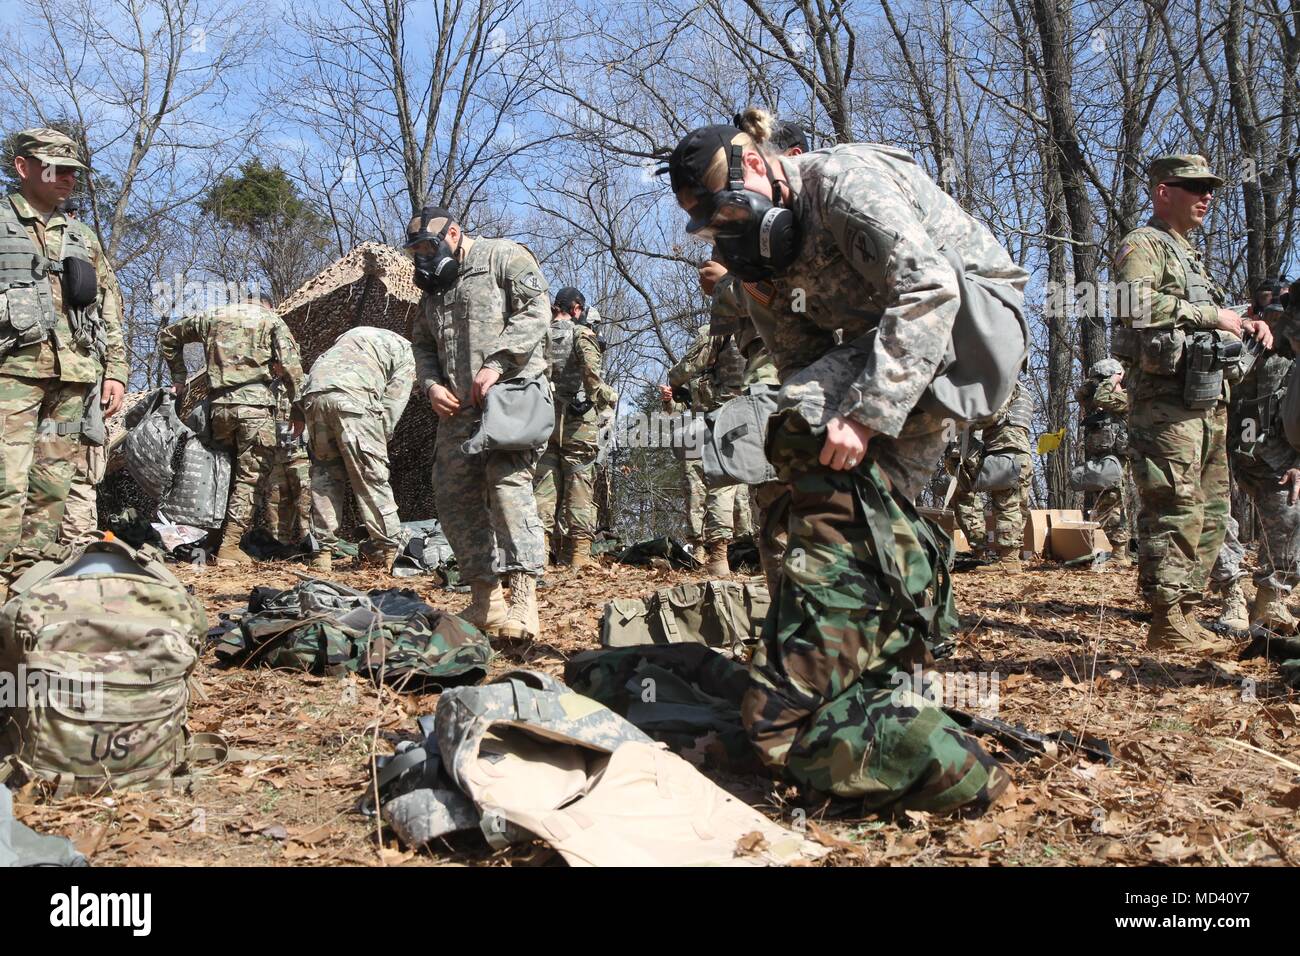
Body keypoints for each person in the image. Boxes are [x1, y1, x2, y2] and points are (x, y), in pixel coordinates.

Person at [665, 110, 1025, 813]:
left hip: (967, 322)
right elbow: (798, 362)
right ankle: (877, 672)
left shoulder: (841, 183)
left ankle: (851, 655)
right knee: (812, 448)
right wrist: (829, 436)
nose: (728, 231)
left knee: (862, 475)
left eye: (731, 209)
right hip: (880, 348)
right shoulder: (755, 259)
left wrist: (861, 416)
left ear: (762, 168)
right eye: (712, 224)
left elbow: (929, 291)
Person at [1115, 154, 1273, 654]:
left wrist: (1247, 324)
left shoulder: (1190, 257)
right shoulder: (1143, 244)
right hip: (1166, 406)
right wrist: (1212, 315)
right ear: (1163, 192)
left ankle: (1184, 611)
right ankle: (1165, 621)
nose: (1207, 197)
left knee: (1210, 510)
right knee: (1174, 504)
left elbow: (1209, 322)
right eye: (1194, 187)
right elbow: (1131, 305)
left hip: (1207, 404)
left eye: (1210, 188)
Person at [407, 206, 550, 640]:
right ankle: (487, 600)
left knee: (508, 489)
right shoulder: (431, 291)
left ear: (454, 232)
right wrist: (431, 386)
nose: (423, 257)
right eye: (416, 250)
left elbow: (536, 309)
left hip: (509, 397)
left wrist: (497, 362)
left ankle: (525, 600)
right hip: (458, 412)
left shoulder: (503, 256)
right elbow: (422, 346)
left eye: (430, 246)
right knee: (453, 497)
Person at [0, 128, 127, 562]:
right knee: (7, 485)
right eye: (57, 169)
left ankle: (25, 583)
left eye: (74, 171)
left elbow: (110, 305)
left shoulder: (82, 237)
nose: (68, 179)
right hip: (11, 377)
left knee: (52, 487)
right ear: (23, 168)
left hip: (72, 382)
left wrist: (115, 372)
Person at [698, 119, 808, 593]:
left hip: (796, 375)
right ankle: (793, 628)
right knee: (774, 503)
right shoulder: (759, 222)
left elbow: (783, 297)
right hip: (770, 372)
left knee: (792, 498)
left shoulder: (817, 215)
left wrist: (727, 285)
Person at [159, 291, 304, 563]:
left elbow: (168, 335)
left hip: (217, 409)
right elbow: (291, 366)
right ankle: (229, 546)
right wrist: (298, 408)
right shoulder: (270, 319)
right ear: (267, 305)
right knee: (250, 477)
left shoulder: (211, 315)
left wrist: (179, 378)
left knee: (221, 474)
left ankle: (212, 540)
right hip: (255, 408)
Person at [302, 326, 415, 572]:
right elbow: (393, 402)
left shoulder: (351, 336)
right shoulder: (407, 351)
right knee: (371, 476)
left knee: (325, 475)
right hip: (353, 397)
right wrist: (377, 441)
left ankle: (322, 553)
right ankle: (388, 551)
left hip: (313, 395)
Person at [1225, 281, 1300, 632]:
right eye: (1265, 310)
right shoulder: (1234, 330)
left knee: (1290, 514)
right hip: (1224, 446)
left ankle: (1269, 599)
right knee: (1214, 523)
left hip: (1277, 453)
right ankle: (1229, 596)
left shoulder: (1294, 345)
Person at [534, 286, 617, 568]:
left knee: (543, 488)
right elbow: (592, 376)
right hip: (577, 422)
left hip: (543, 419)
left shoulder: (538, 334)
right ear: (577, 307)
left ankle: (540, 555)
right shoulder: (581, 334)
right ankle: (580, 555)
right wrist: (607, 397)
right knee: (579, 484)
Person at [662, 322, 746, 575]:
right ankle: (700, 546)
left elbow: (682, 371)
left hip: (724, 424)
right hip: (696, 431)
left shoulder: (722, 350)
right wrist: (670, 401)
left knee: (735, 489)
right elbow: (677, 412)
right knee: (695, 489)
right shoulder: (694, 381)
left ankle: (742, 545)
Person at [947, 381, 1034, 571]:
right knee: (1013, 504)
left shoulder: (1008, 384)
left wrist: (964, 421)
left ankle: (1009, 561)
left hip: (1007, 451)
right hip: (1016, 453)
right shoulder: (1022, 390)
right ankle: (1007, 557)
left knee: (1007, 504)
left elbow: (994, 415)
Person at [1075, 359, 1132, 565]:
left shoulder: (1123, 398)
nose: (1099, 385)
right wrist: (1093, 381)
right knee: (1105, 506)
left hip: (1116, 460)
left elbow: (1102, 397)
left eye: (1103, 380)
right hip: (1099, 459)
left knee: (1113, 504)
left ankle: (1119, 555)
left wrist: (1114, 379)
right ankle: (1119, 553)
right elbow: (1080, 395)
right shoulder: (1098, 402)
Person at [262, 378, 312, 549]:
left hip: (302, 454)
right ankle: (279, 546)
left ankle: (310, 544)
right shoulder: (269, 388)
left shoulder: (307, 382)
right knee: (275, 500)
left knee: (306, 500)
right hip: (277, 455)